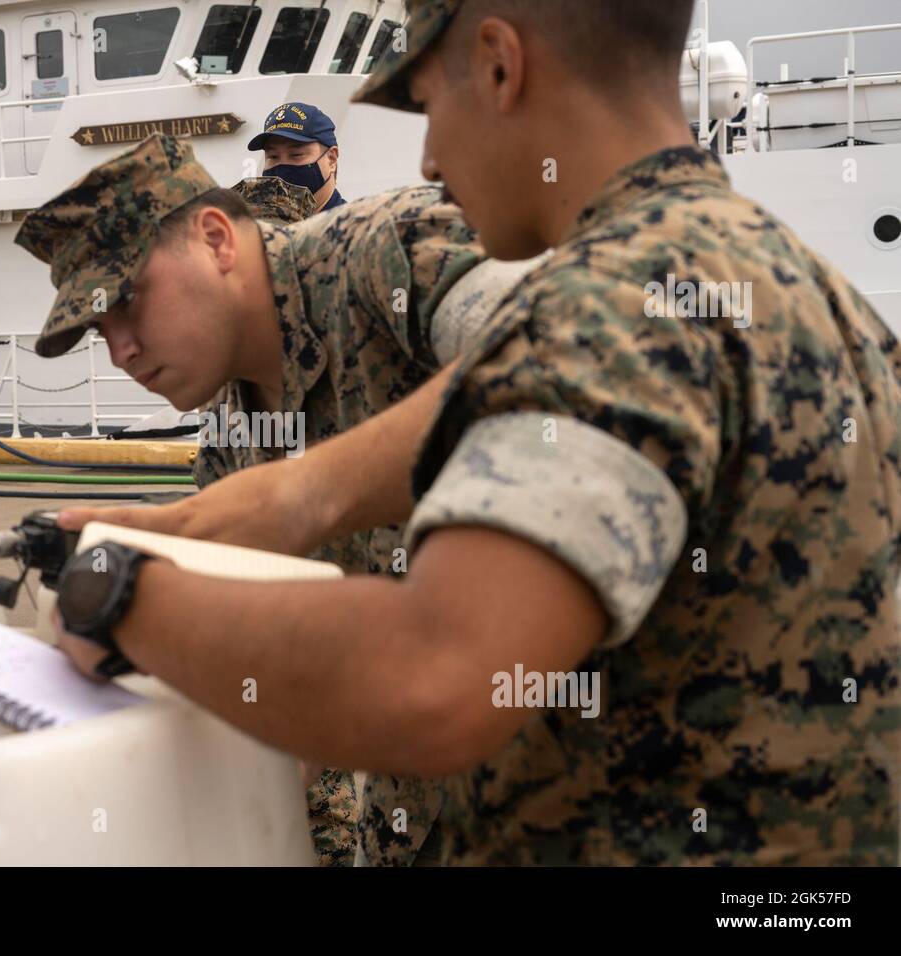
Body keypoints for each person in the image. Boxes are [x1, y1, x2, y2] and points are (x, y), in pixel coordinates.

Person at [52, 0, 901, 866]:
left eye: (425, 106)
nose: (427, 160)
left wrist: (117, 596)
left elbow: (436, 681)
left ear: (499, 65)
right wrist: (261, 508)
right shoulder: (807, 285)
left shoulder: (605, 307)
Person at [16, 131, 537, 864]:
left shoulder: (385, 250)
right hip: (415, 815)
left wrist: (306, 495)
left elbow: (553, 362)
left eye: (127, 302)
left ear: (216, 238)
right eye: (100, 330)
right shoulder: (231, 425)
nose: (121, 350)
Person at [249, 102, 346, 212]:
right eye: (273, 157)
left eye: (296, 155)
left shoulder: (356, 227)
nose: (282, 169)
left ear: (331, 159)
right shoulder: (256, 226)